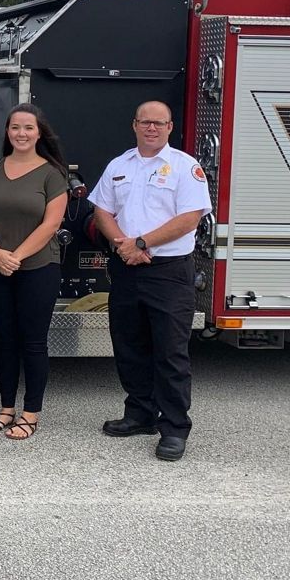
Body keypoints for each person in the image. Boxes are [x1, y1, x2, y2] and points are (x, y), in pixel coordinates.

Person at [89, 100, 211, 462]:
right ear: (135, 125)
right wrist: (122, 245)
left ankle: (174, 428)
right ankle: (140, 414)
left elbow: (189, 218)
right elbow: (102, 210)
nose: (152, 128)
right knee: (129, 345)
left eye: (159, 123)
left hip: (168, 271)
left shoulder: (185, 167)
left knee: (170, 352)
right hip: (127, 267)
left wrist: (141, 243)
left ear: (170, 127)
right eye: (145, 122)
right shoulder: (119, 165)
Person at [0, 103, 68, 441]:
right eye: (15, 127)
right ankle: (6, 408)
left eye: (28, 127)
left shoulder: (52, 174)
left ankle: (30, 413)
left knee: (33, 341)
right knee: (4, 338)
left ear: (39, 133)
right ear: (7, 132)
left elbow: (51, 224)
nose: (21, 133)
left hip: (38, 268)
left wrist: (15, 257)